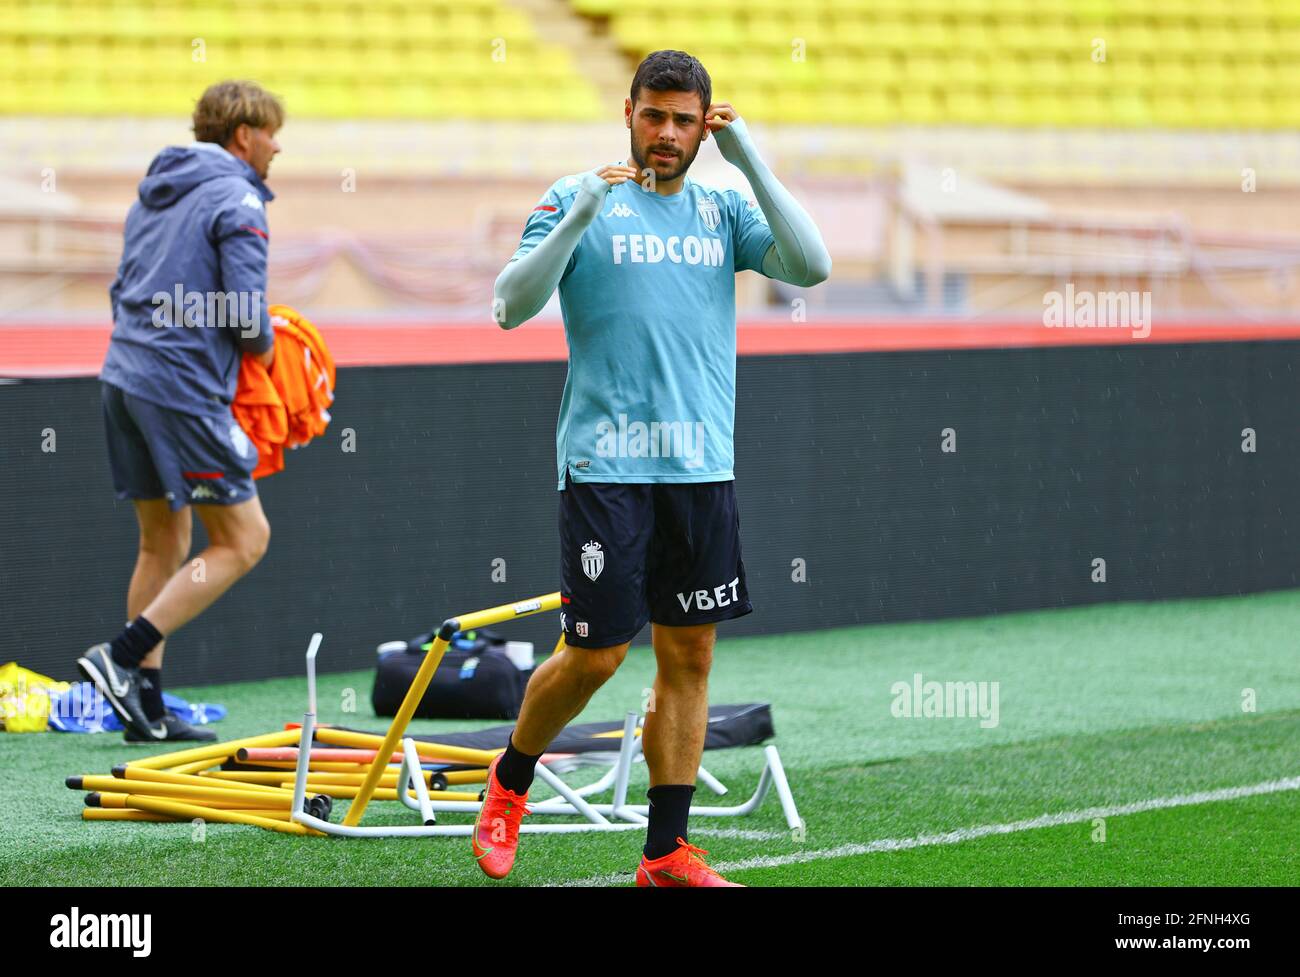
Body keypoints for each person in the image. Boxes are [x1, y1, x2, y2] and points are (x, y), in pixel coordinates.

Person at [485, 50, 831, 885]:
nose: (667, 133)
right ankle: (510, 780)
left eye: (684, 119)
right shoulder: (578, 195)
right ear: (629, 112)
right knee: (597, 654)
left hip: (699, 466)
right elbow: (508, 306)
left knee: (690, 659)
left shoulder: (722, 208)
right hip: (605, 466)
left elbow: (812, 265)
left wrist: (750, 158)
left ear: (703, 125)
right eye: (654, 115)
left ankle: (665, 851)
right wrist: (580, 218)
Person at [78, 80, 283, 743]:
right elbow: (248, 318)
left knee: (162, 538)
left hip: (124, 376)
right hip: (182, 387)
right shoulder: (239, 196)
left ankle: (146, 707)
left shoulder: (154, 192)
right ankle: (122, 652)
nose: (278, 147)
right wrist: (273, 348)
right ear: (244, 135)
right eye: (272, 133)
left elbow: (122, 287)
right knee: (245, 539)